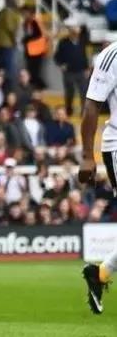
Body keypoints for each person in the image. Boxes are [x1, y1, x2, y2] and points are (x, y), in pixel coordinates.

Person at [78, 38, 117, 315]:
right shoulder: (111, 55)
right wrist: (86, 156)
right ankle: (99, 273)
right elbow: (91, 107)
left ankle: (100, 273)